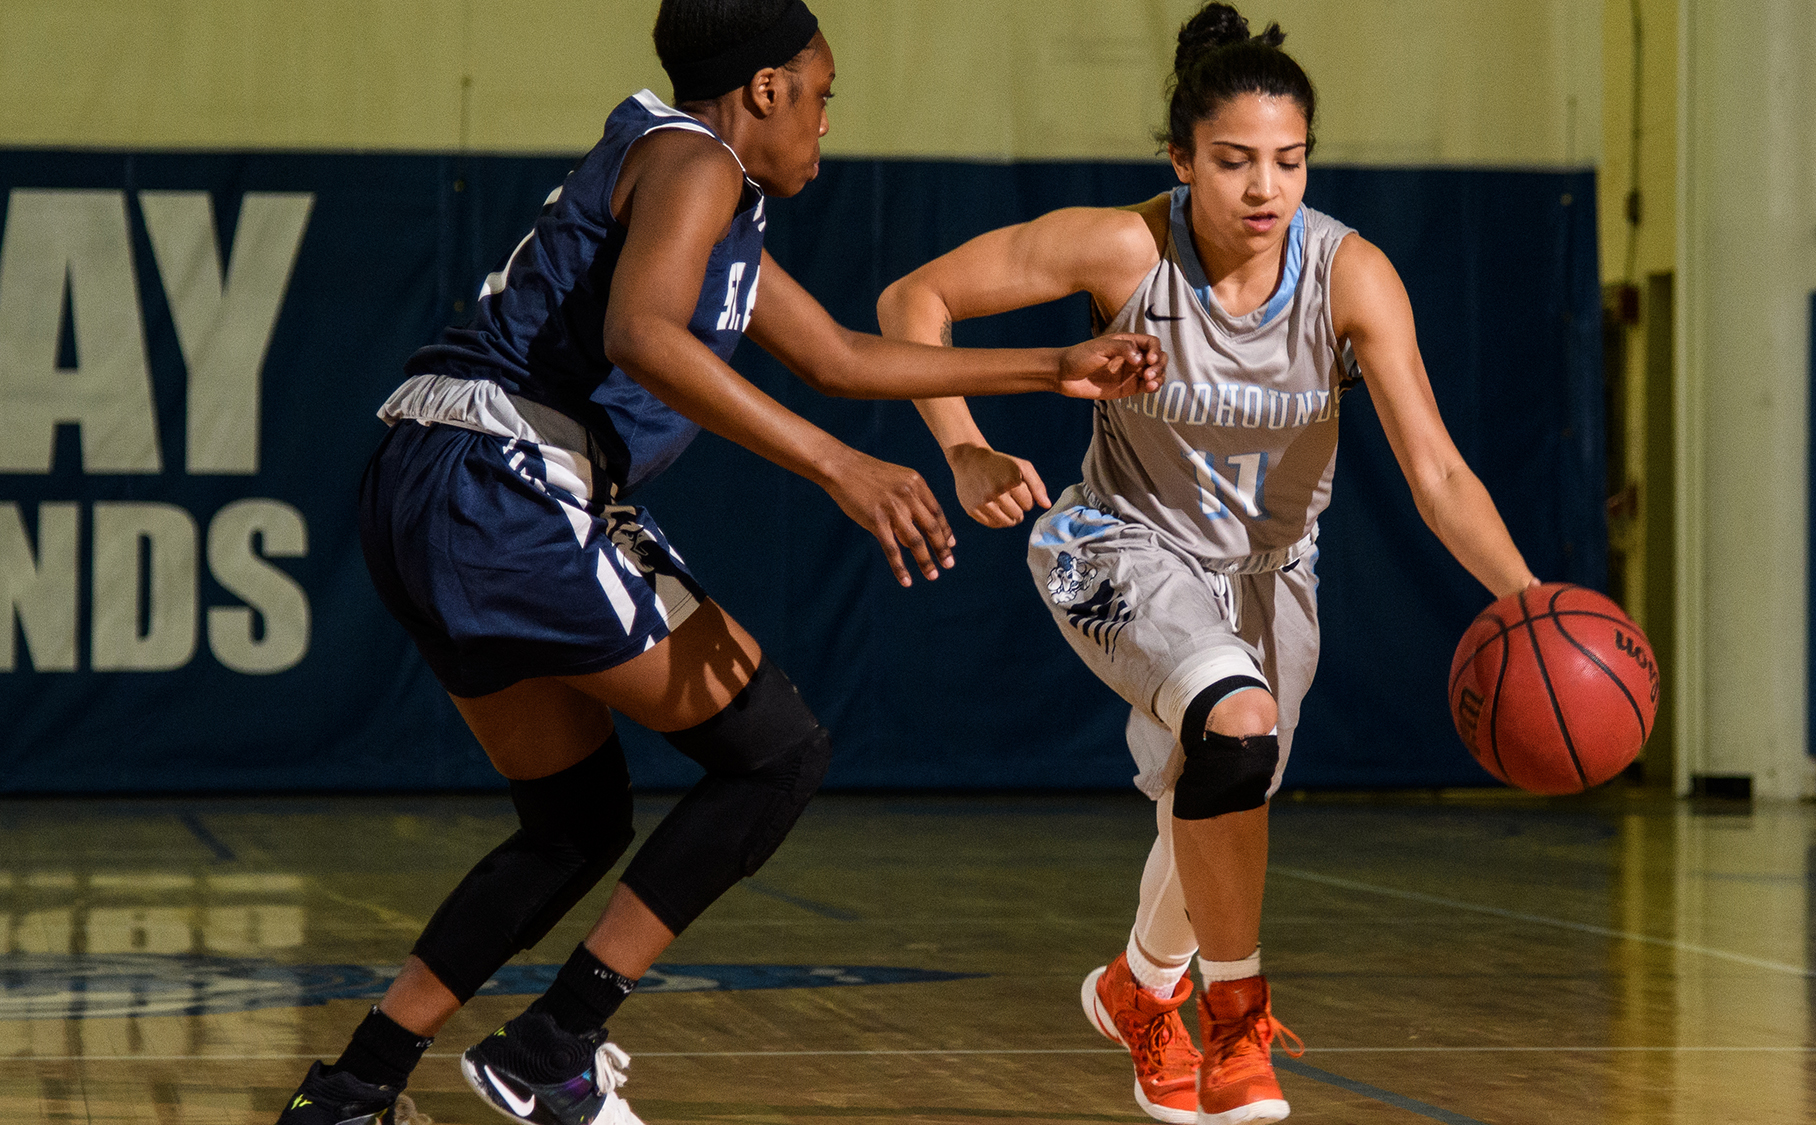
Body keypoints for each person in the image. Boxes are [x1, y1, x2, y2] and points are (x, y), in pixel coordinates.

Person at [272, 2, 1162, 1123]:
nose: (828, 122)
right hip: (506, 477)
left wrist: (1052, 365)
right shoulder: (694, 161)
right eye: (823, 93)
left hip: (428, 477)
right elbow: (643, 335)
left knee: (575, 822)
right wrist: (839, 469)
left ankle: (355, 1087)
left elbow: (837, 355)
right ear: (765, 90)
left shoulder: (686, 183)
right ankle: (554, 1044)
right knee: (776, 753)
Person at [877, 6, 1539, 1124]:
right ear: (1181, 160)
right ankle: (1235, 1023)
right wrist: (964, 448)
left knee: (1219, 795)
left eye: (1287, 161)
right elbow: (913, 302)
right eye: (1232, 161)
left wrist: (1527, 605)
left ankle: (1139, 989)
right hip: (1120, 543)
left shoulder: (1349, 275)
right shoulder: (1124, 248)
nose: (1262, 187)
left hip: (1273, 574)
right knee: (1231, 729)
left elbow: (1437, 477)